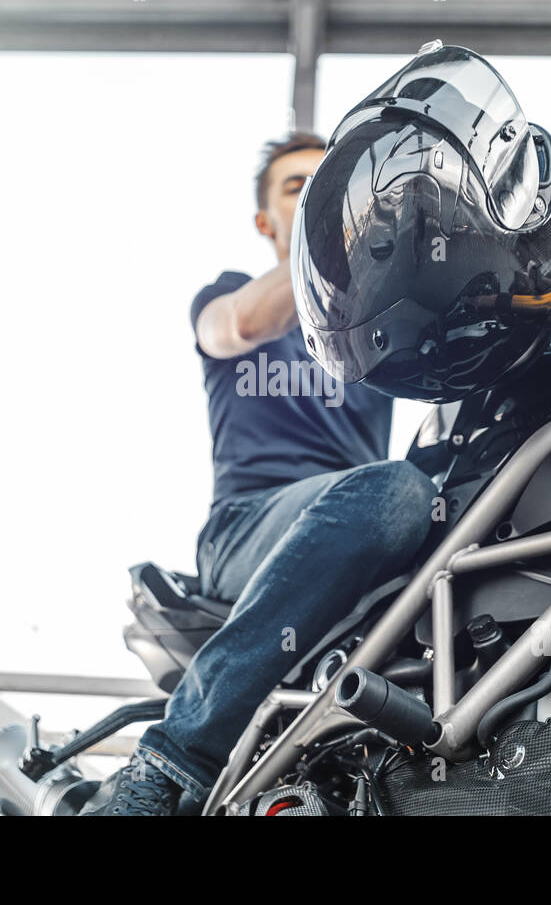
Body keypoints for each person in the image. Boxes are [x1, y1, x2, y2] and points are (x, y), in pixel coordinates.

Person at [81, 133, 437, 815]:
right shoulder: (227, 296)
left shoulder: (380, 325)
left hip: (351, 534)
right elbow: (236, 323)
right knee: (394, 492)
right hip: (245, 528)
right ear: (266, 222)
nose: (324, 199)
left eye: (334, 185)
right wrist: (342, 234)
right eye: (301, 189)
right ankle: (169, 760)